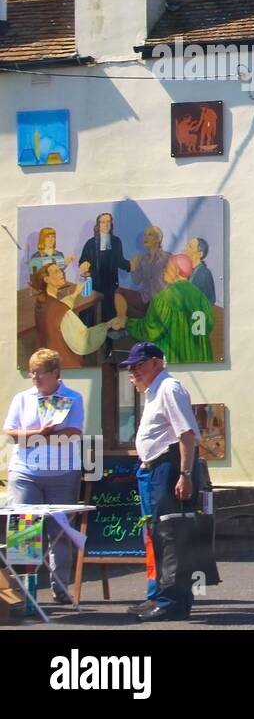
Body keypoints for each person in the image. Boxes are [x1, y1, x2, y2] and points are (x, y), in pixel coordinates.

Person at [123, 341, 200, 622]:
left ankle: (173, 601)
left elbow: (187, 435)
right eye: (131, 367)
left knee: (171, 536)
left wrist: (186, 474)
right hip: (153, 468)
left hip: (168, 467)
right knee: (157, 535)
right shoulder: (154, 390)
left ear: (156, 362)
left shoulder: (169, 388)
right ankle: (159, 595)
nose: (134, 372)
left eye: (138, 365)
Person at [3, 349, 85, 604]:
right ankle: (25, 592)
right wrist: (42, 432)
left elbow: (72, 433)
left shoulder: (73, 397)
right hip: (26, 472)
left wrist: (40, 436)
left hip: (62, 473)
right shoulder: (23, 398)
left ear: (55, 373)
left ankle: (60, 588)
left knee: (59, 531)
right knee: (24, 532)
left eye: (40, 372)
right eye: (32, 372)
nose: (34, 377)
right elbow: (10, 433)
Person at [118, 254, 215, 363]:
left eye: (167, 267)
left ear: (177, 271)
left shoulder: (164, 298)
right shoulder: (202, 298)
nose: (164, 271)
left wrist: (127, 322)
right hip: (202, 361)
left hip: (175, 364)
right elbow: (209, 324)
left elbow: (150, 331)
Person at [78, 212, 131, 323]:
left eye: (108, 222)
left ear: (111, 224)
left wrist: (131, 265)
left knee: (108, 314)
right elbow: (83, 260)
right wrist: (83, 264)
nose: (106, 224)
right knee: (91, 315)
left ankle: (108, 338)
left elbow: (120, 261)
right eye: (103, 222)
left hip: (110, 284)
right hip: (94, 284)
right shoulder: (91, 243)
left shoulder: (116, 242)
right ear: (98, 225)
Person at [129, 226, 172, 302]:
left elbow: (174, 282)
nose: (145, 237)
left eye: (150, 234)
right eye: (144, 235)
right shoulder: (142, 259)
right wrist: (133, 266)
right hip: (144, 299)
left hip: (162, 301)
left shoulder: (168, 257)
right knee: (119, 292)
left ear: (158, 239)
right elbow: (136, 281)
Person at [185, 237, 216, 305]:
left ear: (200, 254)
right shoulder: (187, 270)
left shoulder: (205, 274)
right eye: (187, 245)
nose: (185, 249)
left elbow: (210, 301)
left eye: (190, 247)